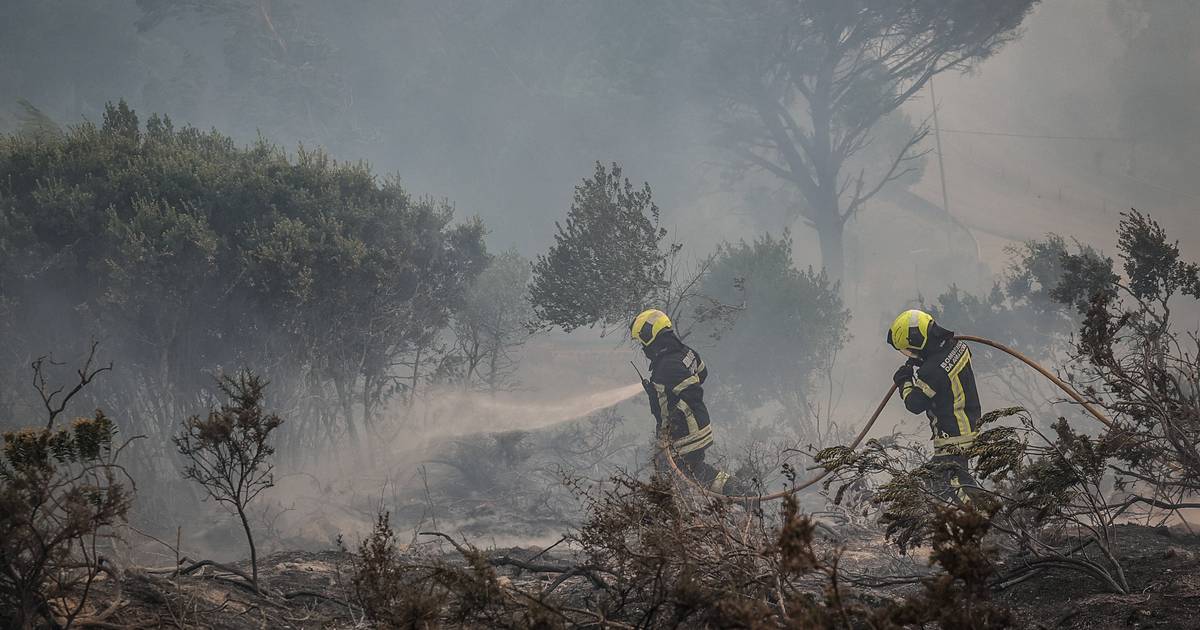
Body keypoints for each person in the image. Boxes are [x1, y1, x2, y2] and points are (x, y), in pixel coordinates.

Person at [631, 308, 748, 496]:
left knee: (682, 474)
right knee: (691, 471)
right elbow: (702, 373)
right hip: (698, 425)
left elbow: (690, 393)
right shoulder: (685, 352)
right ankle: (735, 492)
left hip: (686, 431)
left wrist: (673, 420)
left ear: (651, 337)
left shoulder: (667, 366)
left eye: (643, 342)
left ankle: (738, 494)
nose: (643, 348)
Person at [886, 309, 982, 504]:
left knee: (954, 484)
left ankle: (988, 517)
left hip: (953, 436)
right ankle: (946, 518)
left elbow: (914, 404)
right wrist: (921, 359)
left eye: (909, 349)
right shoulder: (958, 346)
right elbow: (944, 364)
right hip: (969, 424)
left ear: (918, 341)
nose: (909, 354)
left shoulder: (931, 372)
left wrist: (904, 381)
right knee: (930, 481)